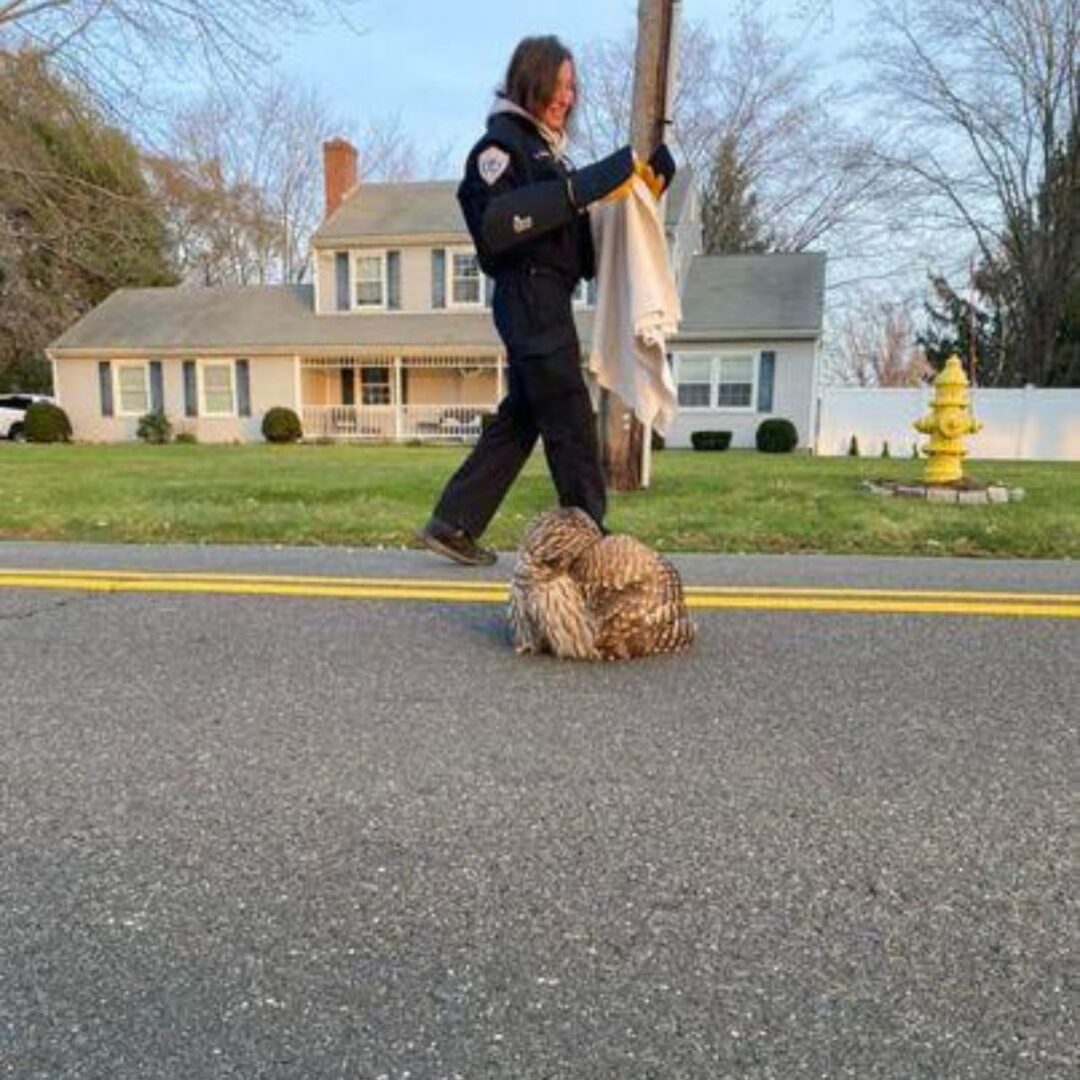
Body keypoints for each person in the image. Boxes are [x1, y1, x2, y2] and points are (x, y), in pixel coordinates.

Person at [417, 34, 676, 566]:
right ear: (529, 81)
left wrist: (638, 197)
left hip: (549, 293)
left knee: (526, 415)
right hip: (527, 293)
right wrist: (580, 190)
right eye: (559, 85)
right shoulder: (501, 148)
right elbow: (495, 227)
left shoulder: (549, 156)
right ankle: (591, 543)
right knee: (569, 415)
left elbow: (578, 253)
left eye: (572, 87)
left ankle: (453, 521)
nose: (568, 97)